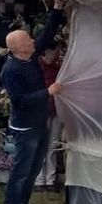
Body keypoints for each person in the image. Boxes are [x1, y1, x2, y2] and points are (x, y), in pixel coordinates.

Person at [1, 0, 65, 204]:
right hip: (25, 128)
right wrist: (47, 92)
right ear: (18, 48)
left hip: (40, 124)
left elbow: (47, 33)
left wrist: (57, 8)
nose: (32, 40)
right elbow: (19, 101)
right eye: (28, 39)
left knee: (32, 172)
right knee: (20, 174)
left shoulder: (30, 55)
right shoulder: (11, 70)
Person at [35, 45, 63, 191]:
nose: (57, 54)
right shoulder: (36, 68)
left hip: (56, 110)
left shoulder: (58, 69)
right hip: (41, 111)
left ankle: (50, 179)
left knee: (53, 144)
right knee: (41, 144)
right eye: (55, 51)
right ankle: (39, 178)